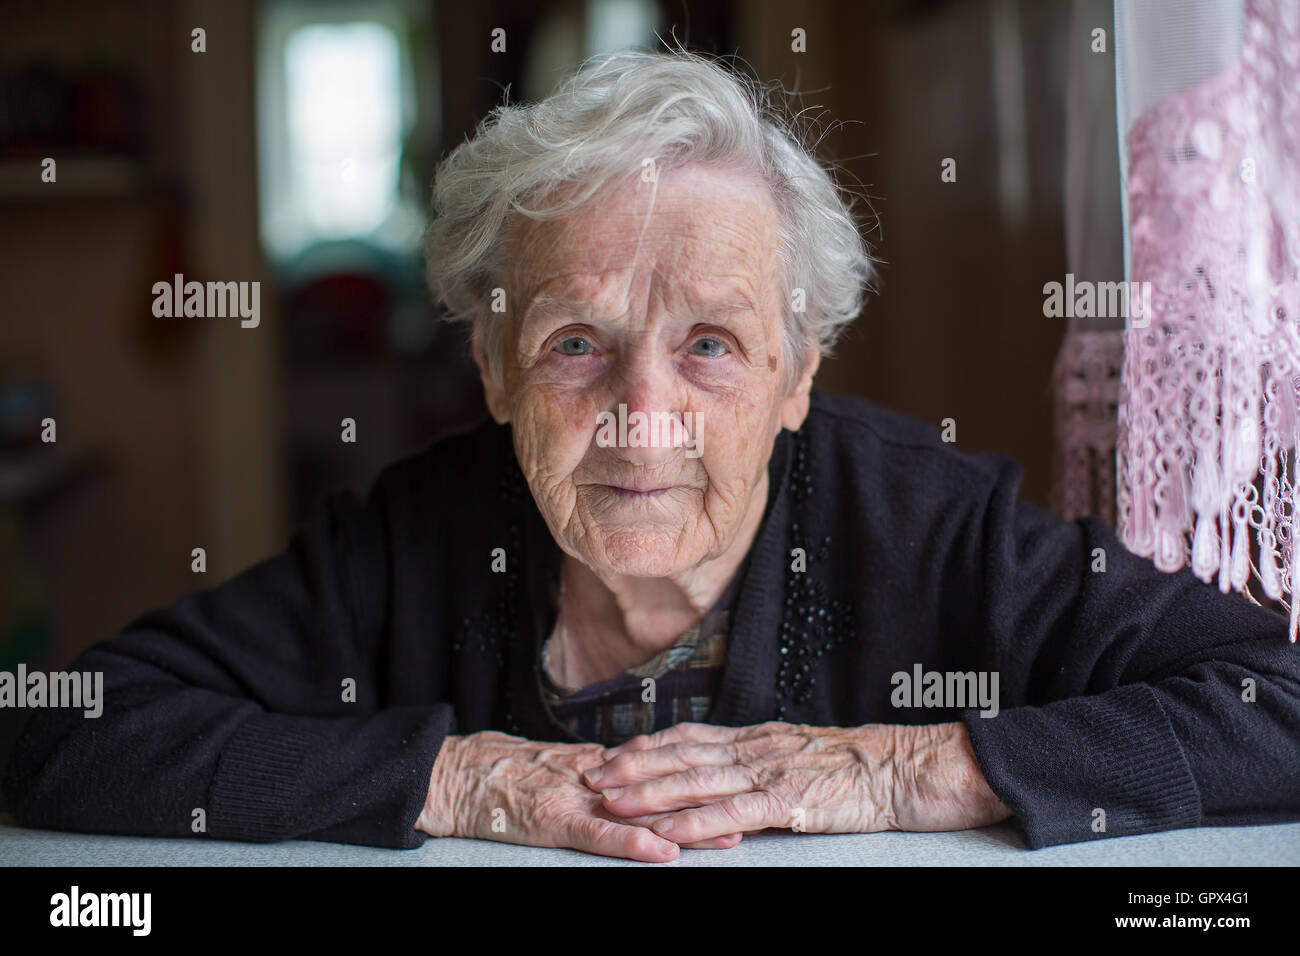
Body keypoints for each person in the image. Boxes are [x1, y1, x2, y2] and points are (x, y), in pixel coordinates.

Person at [5, 49, 1298, 863]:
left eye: (712, 348)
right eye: (575, 343)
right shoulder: (417, 535)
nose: (641, 415)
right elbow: (64, 730)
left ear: (798, 377)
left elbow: (1276, 707)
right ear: (493, 367)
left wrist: (909, 766)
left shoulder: (931, 526)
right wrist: (464, 779)